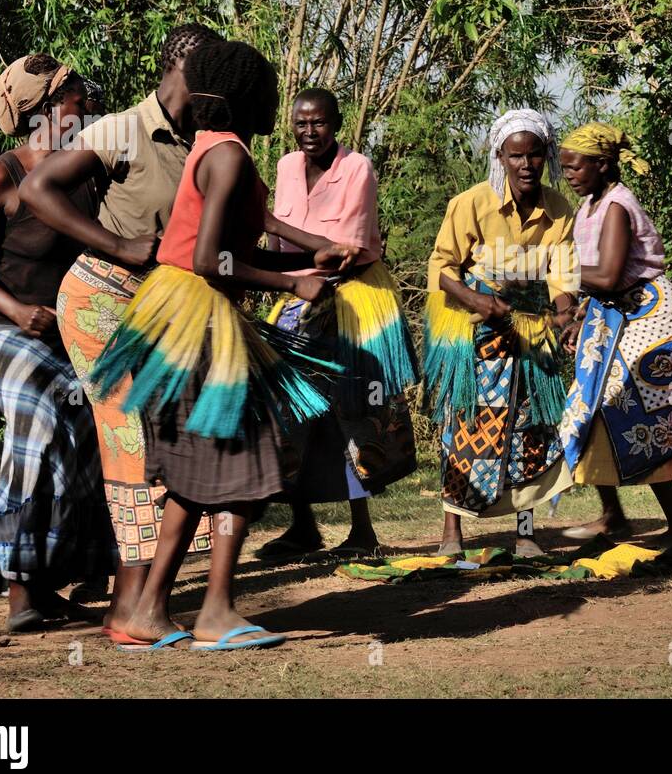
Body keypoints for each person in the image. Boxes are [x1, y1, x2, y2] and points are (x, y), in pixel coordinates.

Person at [88, 39, 353, 651]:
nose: (275, 101)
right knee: (247, 461)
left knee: (197, 469)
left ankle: (151, 610)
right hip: (197, 319)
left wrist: (302, 256)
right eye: (266, 90)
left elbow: (223, 246)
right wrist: (291, 282)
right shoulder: (229, 155)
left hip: (182, 313)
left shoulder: (211, 147)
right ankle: (214, 612)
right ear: (243, 98)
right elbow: (211, 260)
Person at [20, 23, 223, 639]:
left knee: (174, 441)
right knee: (129, 439)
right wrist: (118, 244)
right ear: (181, 65)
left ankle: (138, 604)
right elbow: (37, 186)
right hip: (102, 300)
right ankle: (127, 611)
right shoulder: (122, 128)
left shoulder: (206, 141)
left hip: (165, 312)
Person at [0, 54, 116, 632]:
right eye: (76, 96)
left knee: (80, 457)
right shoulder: (3, 178)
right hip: (18, 335)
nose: (87, 103)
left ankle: (45, 586)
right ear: (48, 107)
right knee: (34, 440)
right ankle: (19, 590)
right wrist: (17, 310)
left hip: (80, 333)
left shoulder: (89, 169)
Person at [258, 88, 419, 560]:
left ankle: (362, 530)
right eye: (302, 124)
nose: (310, 132)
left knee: (356, 411)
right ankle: (302, 526)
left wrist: (292, 258)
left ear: (337, 123)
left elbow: (345, 251)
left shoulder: (358, 169)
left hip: (352, 297)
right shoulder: (287, 166)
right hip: (299, 297)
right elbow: (282, 238)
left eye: (320, 123)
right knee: (292, 411)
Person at [424, 109, 578, 557]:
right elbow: (442, 267)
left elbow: (563, 277)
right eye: (516, 156)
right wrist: (480, 303)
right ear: (500, 158)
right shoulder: (471, 203)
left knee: (530, 427)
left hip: (533, 330)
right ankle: (452, 533)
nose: (526, 165)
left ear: (546, 156)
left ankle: (525, 533)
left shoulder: (558, 208)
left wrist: (566, 317)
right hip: (476, 329)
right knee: (466, 421)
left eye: (534, 155)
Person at [556, 122, 672, 546]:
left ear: (603, 165)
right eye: (565, 167)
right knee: (593, 408)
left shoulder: (617, 206)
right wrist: (578, 317)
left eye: (576, 167)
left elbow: (606, 275)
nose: (568, 174)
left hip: (651, 319)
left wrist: (546, 271)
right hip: (617, 316)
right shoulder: (588, 207)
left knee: (634, 411)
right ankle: (614, 516)